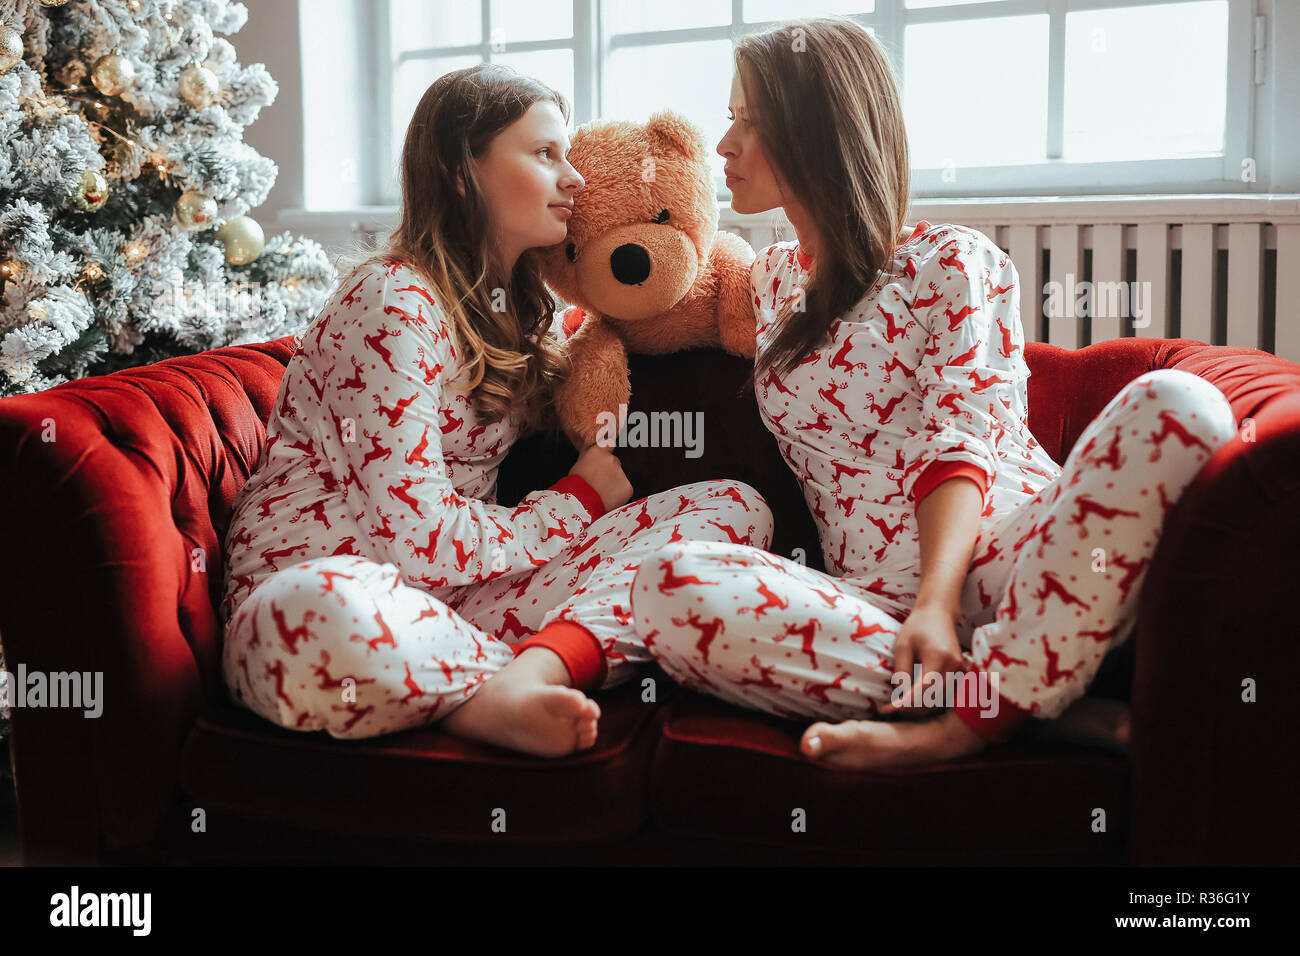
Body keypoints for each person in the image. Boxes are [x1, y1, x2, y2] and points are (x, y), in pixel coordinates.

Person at [629, 18, 1239, 770]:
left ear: (820, 131)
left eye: (750, 122)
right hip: (874, 605)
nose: (725, 145)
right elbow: (639, 294)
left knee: (1181, 404)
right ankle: (1031, 697)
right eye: (729, 120)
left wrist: (938, 606)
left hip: (1019, 560)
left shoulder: (952, 262)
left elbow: (960, 437)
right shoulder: (770, 279)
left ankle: (962, 723)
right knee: (669, 585)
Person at [219, 64, 772, 757]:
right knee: (310, 611)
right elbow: (413, 538)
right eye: (545, 154)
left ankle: (528, 671)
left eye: (568, 155)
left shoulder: (522, 317)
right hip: (330, 602)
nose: (573, 178)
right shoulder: (393, 302)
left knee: (732, 508)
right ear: (461, 173)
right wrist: (573, 502)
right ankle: (484, 696)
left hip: (463, 600)